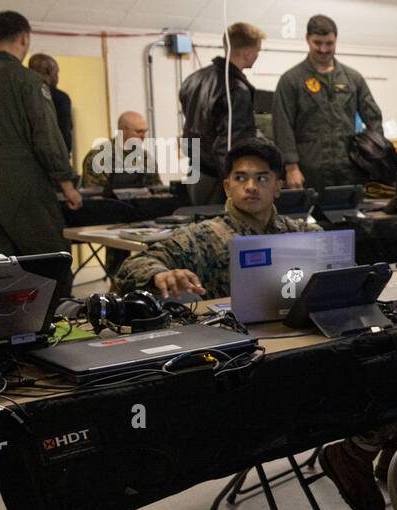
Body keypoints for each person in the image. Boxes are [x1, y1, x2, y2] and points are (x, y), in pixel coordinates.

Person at [0, 10, 83, 259]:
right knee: (50, 259)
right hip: (24, 183)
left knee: (0, 266)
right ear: (24, 38)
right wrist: (67, 184)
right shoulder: (28, 81)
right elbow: (47, 138)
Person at [113, 139, 318, 299]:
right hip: (228, 340)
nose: (251, 186)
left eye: (262, 178)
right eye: (240, 178)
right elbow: (132, 266)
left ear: (278, 187)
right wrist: (160, 274)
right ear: (227, 187)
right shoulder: (202, 238)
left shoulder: (300, 233)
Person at [272, 15, 383, 192]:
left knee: (350, 217)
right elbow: (282, 125)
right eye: (317, 43)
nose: (323, 49)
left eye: (329, 43)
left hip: (349, 169)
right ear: (307, 39)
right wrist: (291, 167)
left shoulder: (352, 78)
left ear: (336, 40)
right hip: (309, 171)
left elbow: (374, 118)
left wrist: (374, 156)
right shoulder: (291, 80)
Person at [180, 21, 266, 205]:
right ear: (248, 53)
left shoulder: (193, 79)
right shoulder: (236, 89)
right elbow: (229, 144)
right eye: (257, 51)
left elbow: (191, 127)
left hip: (194, 172)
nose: (257, 55)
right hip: (218, 179)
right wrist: (234, 185)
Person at [81, 111, 161, 191]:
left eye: (145, 131)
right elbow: (94, 194)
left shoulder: (145, 157)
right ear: (123, 131)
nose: (144, 136)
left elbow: (157, 189)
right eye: (138, 132)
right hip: (110, 202)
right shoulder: (99, 156)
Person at [28, 53, 73, 167]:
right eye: (56, 73)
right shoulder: (60, 99)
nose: (57, 78)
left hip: (26, 164)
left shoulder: (22, 95)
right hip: (53, 164)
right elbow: (64, 133)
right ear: (49, 72)